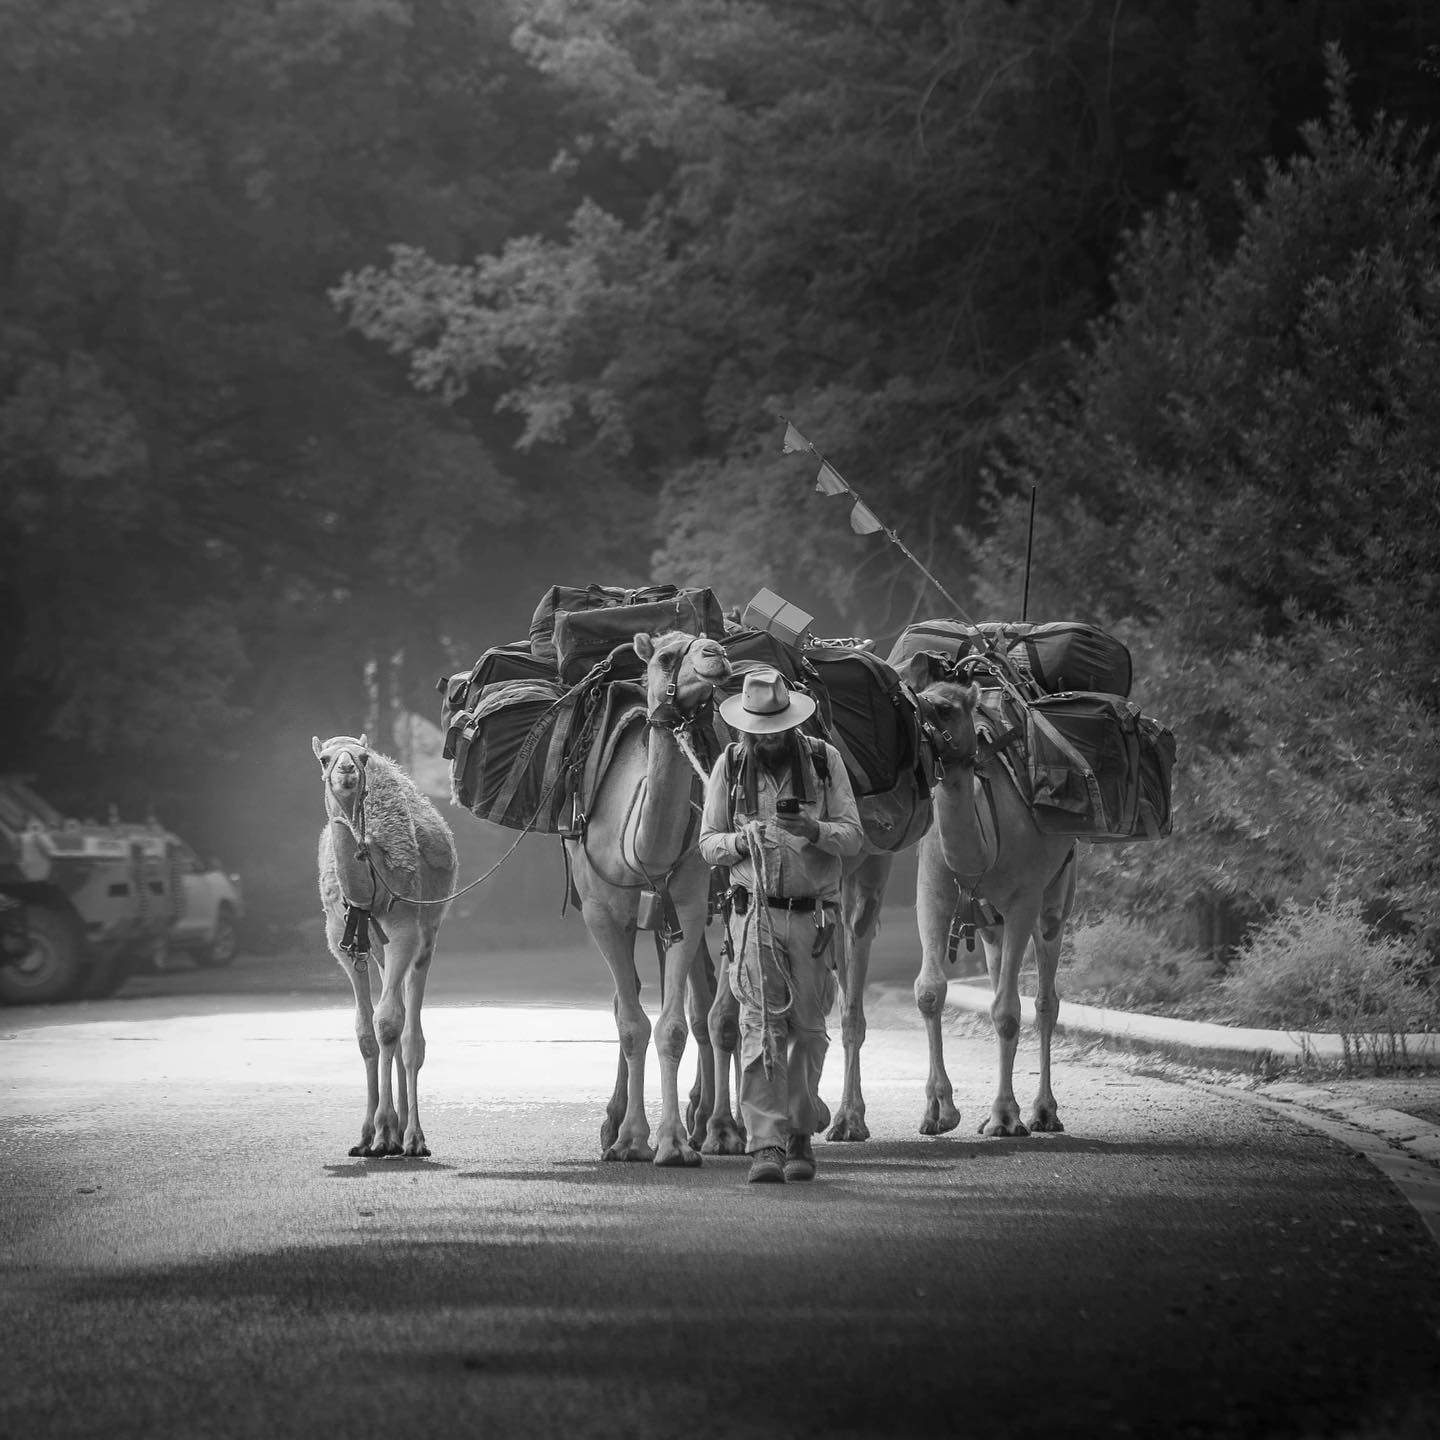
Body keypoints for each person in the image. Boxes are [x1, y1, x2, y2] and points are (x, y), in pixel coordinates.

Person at [699, 667, 863, 1184]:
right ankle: (766, 1145)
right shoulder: (729, 765)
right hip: (753, 915)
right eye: (759, 731)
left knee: (810, 1031)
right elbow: (708, 842)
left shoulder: (824, 761)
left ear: (791, 725)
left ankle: (799, 1135)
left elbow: (853, 837)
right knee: (760, 1027)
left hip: (814, 916)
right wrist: (737, 842)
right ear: (745, 728)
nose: (767, 739)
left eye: (775, 730)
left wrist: (814, 829)